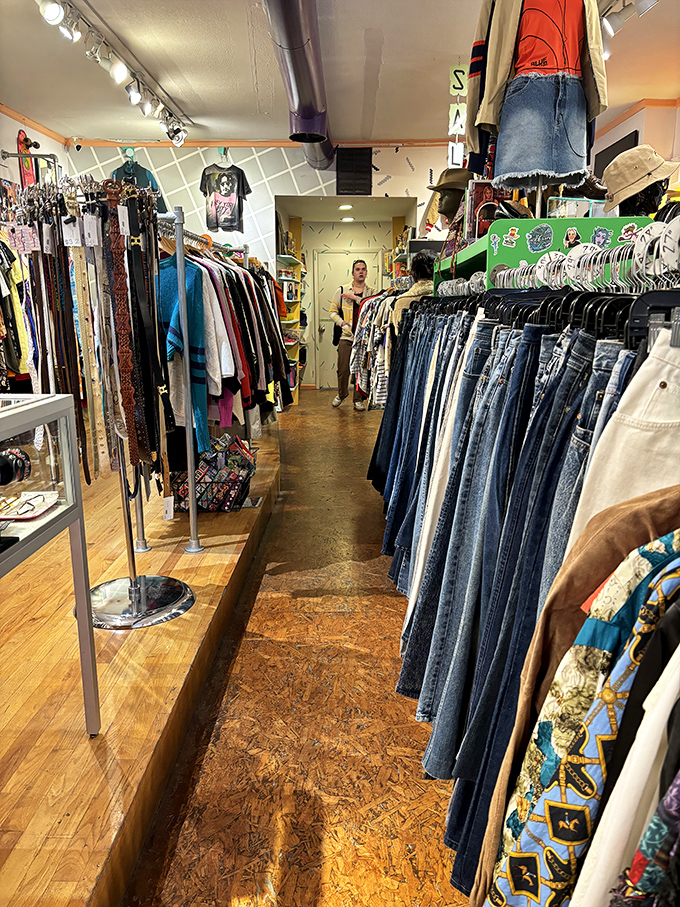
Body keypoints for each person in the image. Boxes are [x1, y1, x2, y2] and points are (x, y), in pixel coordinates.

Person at [329, 259, 376, 410]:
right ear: (353, 272)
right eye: (358, 269)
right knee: (343, 369)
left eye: (363, 269)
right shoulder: (342, 290)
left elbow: (373, 308)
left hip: (364, 338)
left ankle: (358, 399)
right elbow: (332, 311)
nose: (361, 272)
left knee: (361, 370)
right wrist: (341, 322)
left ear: (367, 272)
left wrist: (355, 298)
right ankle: (341, 394)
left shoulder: (372, 292)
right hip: (347, 336)